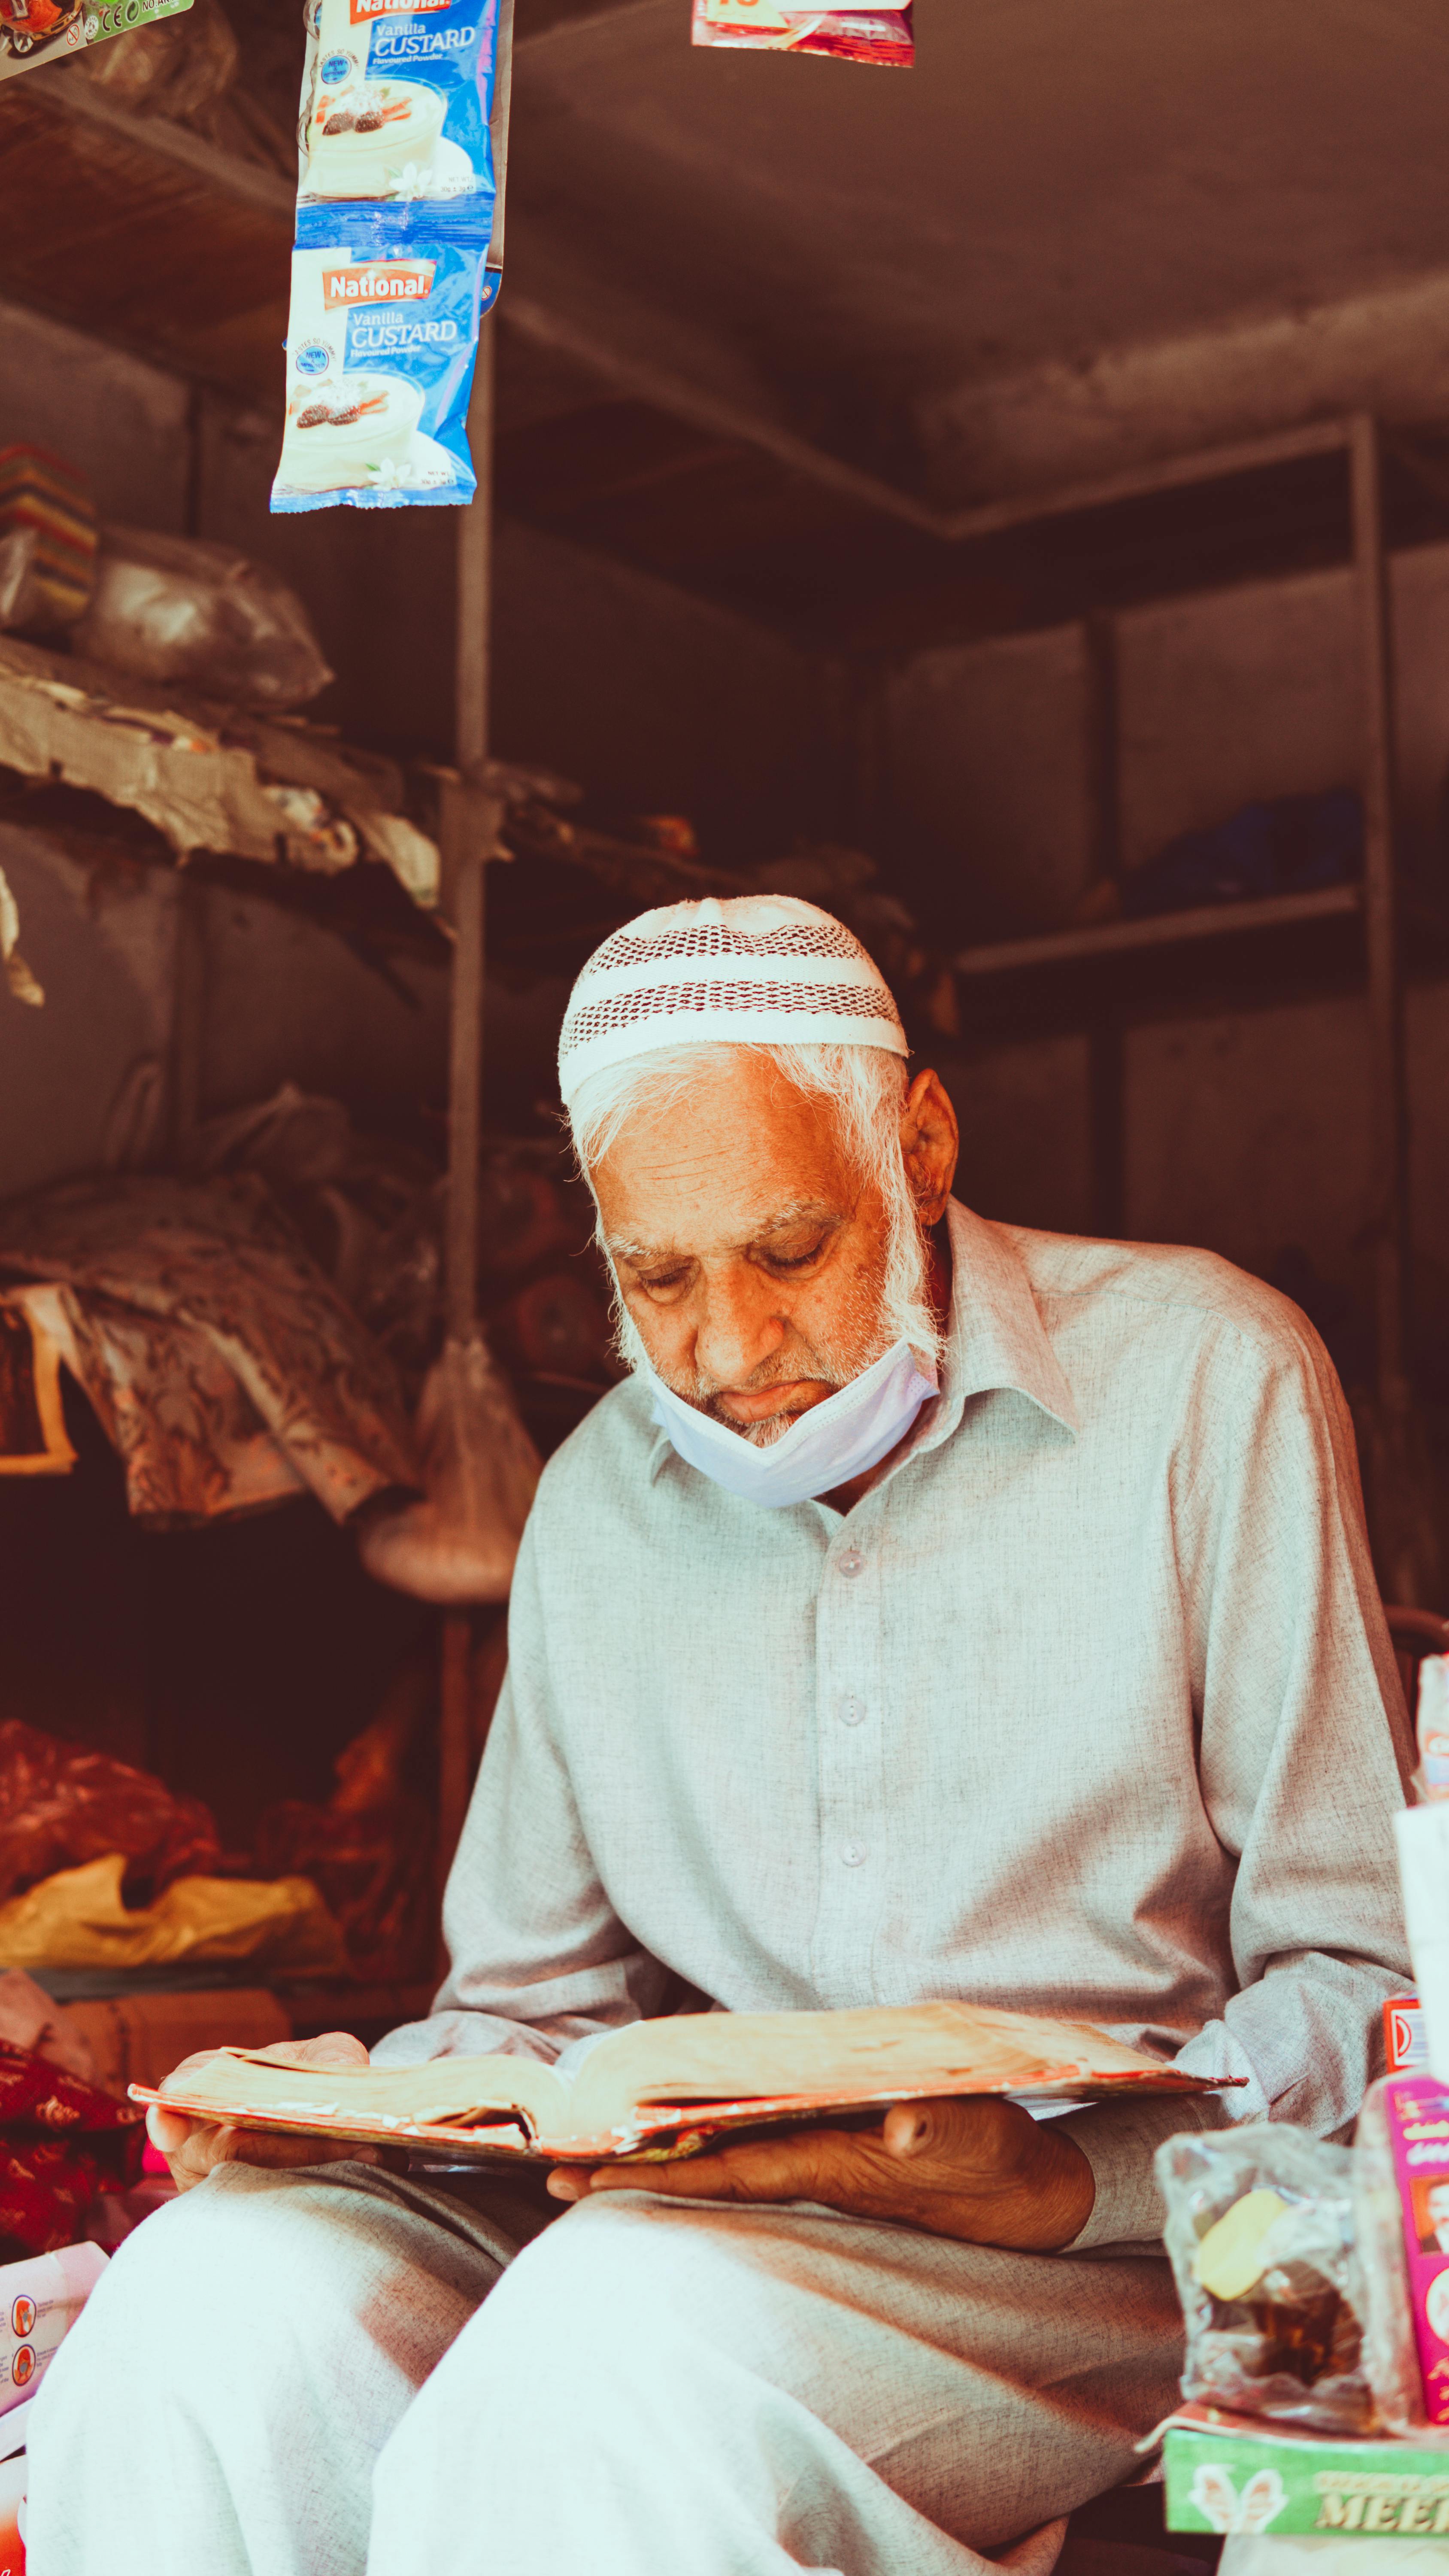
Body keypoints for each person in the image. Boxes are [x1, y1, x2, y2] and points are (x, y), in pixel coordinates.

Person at [29, 896, 1413, 2576]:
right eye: (655, 1275)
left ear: (916, 1146)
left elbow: (1371, 1985)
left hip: (1083, 2254)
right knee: (205, 2303)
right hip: (694, 2209)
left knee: (618, 2349)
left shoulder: (1207, 1378)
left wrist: (1064, 2183)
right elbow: (527, 2012)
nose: (728, 1351)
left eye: (787, 1251)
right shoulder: (601, 1495)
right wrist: (352, 2116)